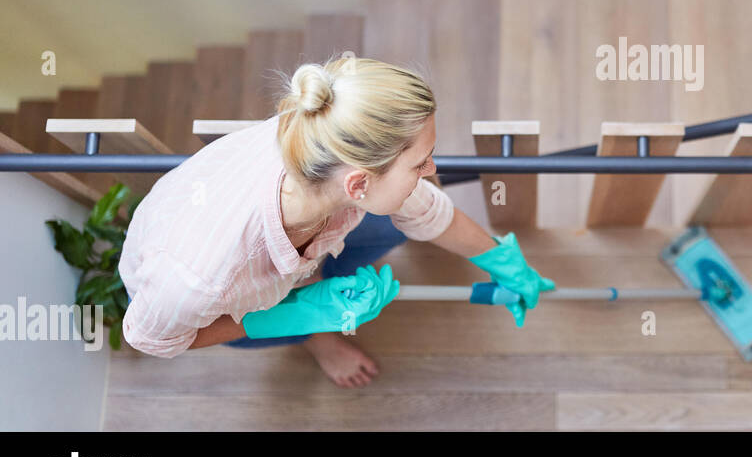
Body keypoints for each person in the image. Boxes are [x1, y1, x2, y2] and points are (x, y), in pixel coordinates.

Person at [118, 55, 552, 387]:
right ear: (358, 185)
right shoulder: (198, 279)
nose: (433, 169)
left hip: (302, 233)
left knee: (392, 220)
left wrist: (501, 260)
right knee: (280, 322)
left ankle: (313, 291)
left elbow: (427, 209)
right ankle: (313, 338)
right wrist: (300, 315)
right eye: (420, 162)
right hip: (220, 292)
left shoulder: (329, 146)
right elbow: (154, 338)